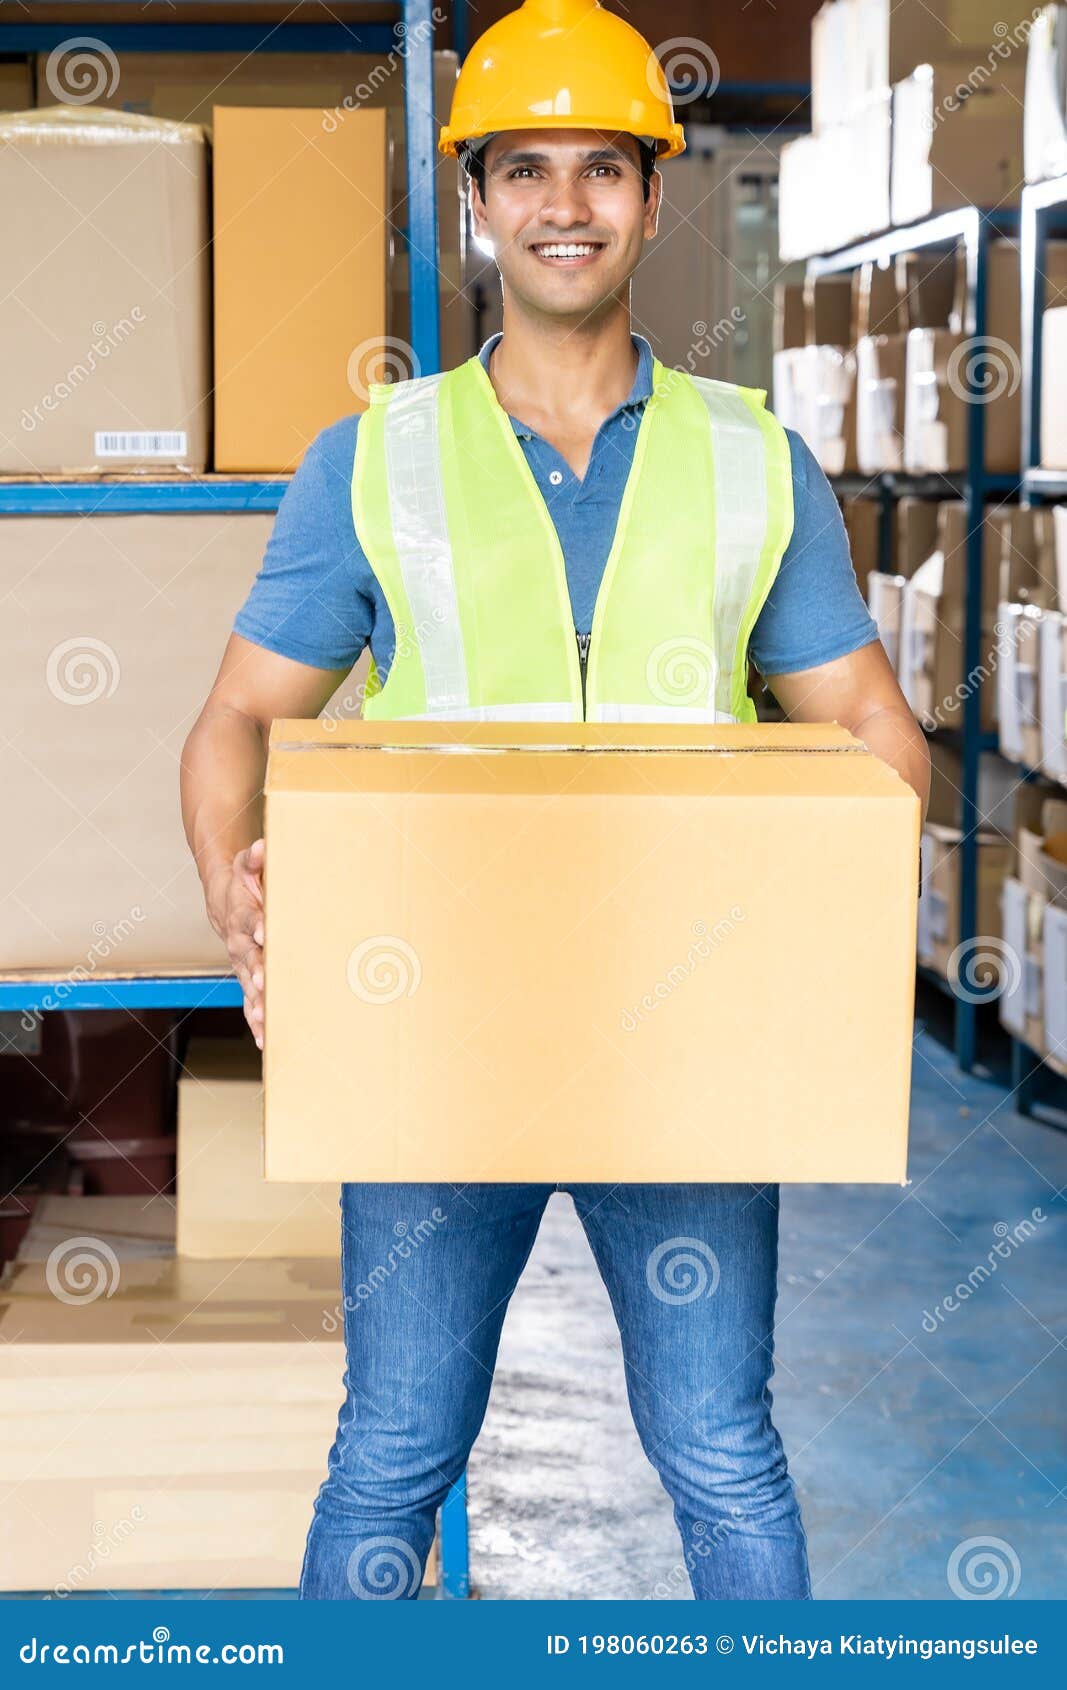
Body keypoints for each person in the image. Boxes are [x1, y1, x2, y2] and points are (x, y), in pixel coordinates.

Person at [181, 0, 930, 1600]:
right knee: (391, 1450)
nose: (566, 204)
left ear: (656, 200)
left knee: (724, 1450)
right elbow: (238, 720)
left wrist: (823, 921)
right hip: (436, 1029)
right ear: (477, 203)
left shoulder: (755, 462)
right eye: (526, 170)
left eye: (603, 168)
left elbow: (871, 726)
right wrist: (242, 898)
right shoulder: (370, 460)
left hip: (689, 1030)